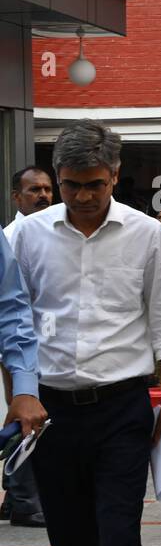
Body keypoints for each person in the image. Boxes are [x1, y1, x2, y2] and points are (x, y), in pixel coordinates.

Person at [10, 119, 161, 546]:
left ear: (114, 175)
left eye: (95, 184)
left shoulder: (146, 234)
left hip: (121, 411)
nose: (83, 196)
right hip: (50, 415)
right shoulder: (26, 236)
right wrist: (20, 396)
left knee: (119, 543)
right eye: (71, 185)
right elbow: (13, 323)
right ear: (56, 178)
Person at [0, 165, 54, 526]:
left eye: (47, 189)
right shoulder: (14, 234)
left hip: (37, 355)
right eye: (34, 190)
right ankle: (22, 499)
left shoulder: (54, 233)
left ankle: (19, 499)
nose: (43, 196)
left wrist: (23, 379)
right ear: (16, 197)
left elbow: (11, 308)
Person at [6, 166, 53, 234]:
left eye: (47, 189)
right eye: (35, 189)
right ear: (16, 196)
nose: (44, 195)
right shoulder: (9, 236)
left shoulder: (62, 229)